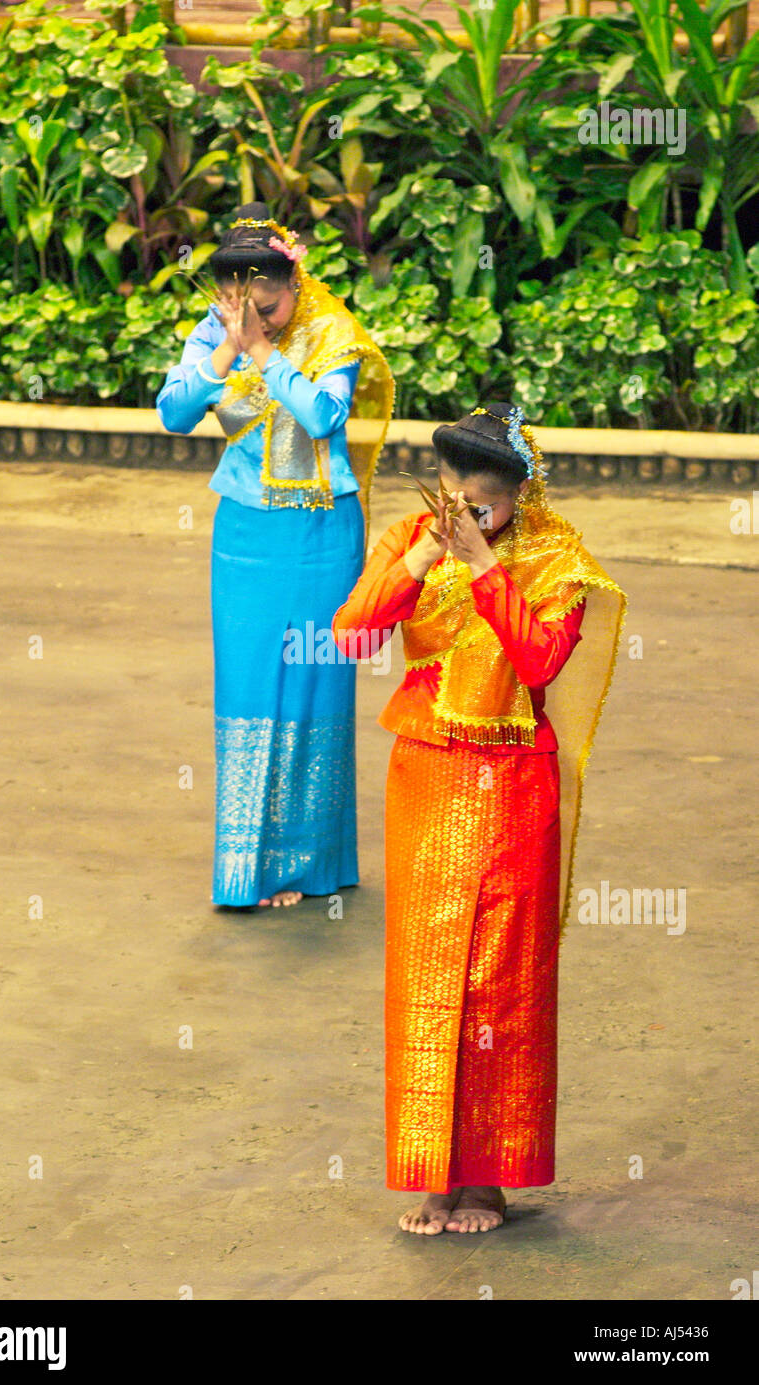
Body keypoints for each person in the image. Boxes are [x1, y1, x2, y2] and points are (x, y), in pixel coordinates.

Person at [332, 402, 627, 1233]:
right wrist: (423, 560)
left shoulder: (556, 559)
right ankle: (432, 1174)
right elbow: (352, 636)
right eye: (454, 498)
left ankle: (489, 1179)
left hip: (514, 784)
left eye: (484, 506)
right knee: (426, 978)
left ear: (518, 500)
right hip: (426, 771)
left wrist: (485, 571)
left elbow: (538, 658)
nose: (466, 516)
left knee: (502, 982)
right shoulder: (409, 537)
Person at [156, 203, 394, 910]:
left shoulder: (333, 333)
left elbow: (323, 416)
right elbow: (172, 413)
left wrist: (264, 351)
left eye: (270, 305)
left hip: (323, 536)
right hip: (246, 539)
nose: (260, 315)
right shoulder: (215, 329)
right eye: (245, 306)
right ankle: (247, 868)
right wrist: (229, 349)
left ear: (296, 281)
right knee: (251, 689)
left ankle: (304, 864)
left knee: (315, 694)